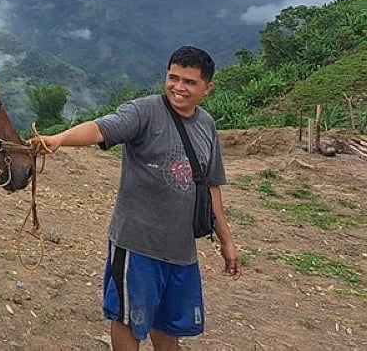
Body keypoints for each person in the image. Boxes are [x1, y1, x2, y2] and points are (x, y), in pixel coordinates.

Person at [40, 46, 241, 351]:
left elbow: (211, 186)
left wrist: (227, 240)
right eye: (173, 78)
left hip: (181, 250)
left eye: (189, 82)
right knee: (127, 319)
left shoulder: (206, 125)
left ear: (207, 88)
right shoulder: (144, 112)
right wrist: (59, 139)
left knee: (168, 324)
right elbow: (100, 128)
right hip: (137, 244)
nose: (178, 87)